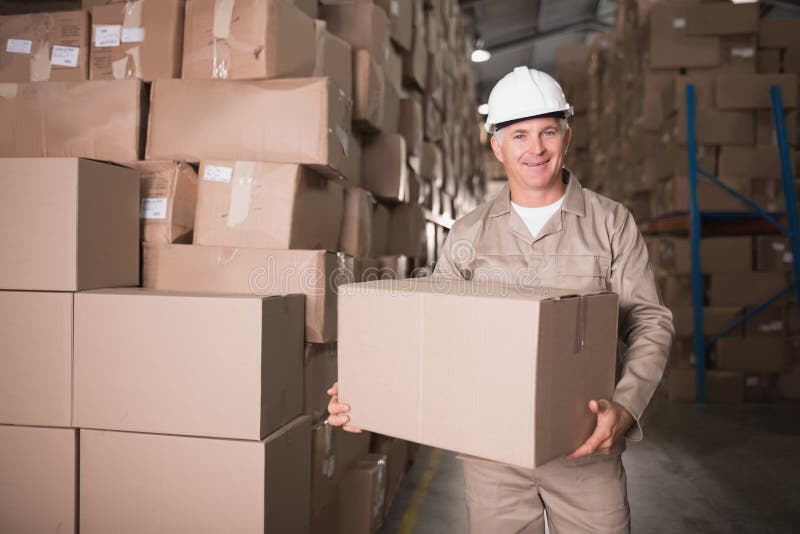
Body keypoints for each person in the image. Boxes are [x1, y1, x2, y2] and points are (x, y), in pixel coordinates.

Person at [327, 66, 674, 533]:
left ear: (565, 137)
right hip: (490, 456)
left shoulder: (611, 223)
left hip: (584, 446)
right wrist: (366, 390)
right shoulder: (469, 232)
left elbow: (649, 322)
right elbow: (430, 328)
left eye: (547, 132)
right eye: (519, 135)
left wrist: (627, 408)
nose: (535, 149)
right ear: (497, 147)